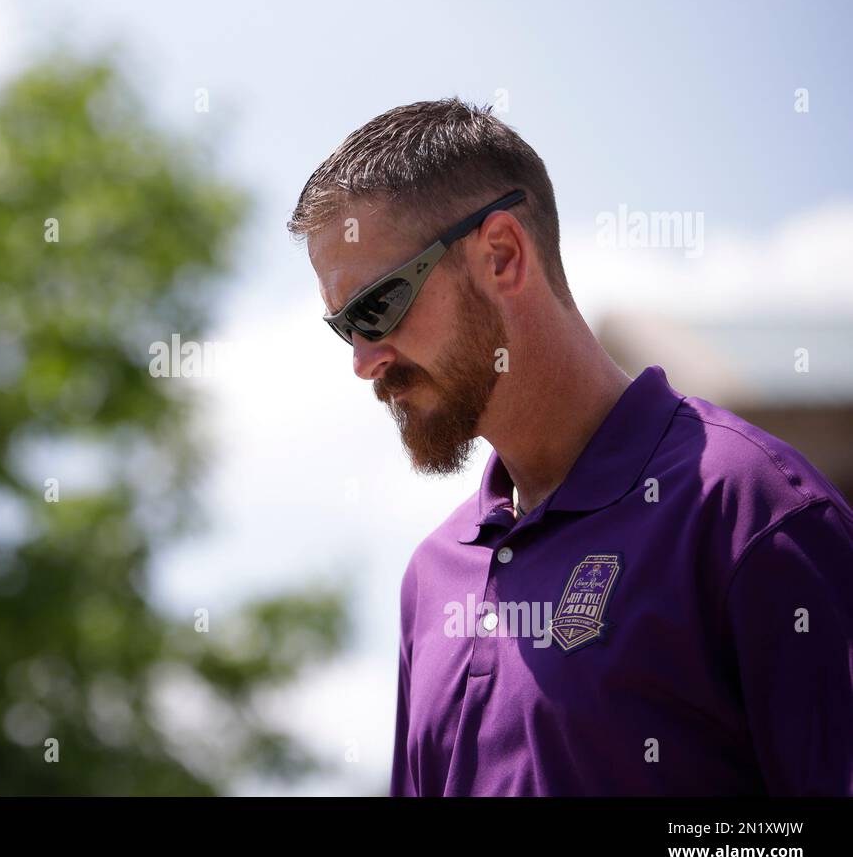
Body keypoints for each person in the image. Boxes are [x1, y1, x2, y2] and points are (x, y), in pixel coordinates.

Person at [288, 98, 853, 795]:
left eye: (377, 306)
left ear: (501, 254)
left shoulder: (754, 512)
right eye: (346, 327)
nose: (364, 360)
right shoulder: (431, 576)